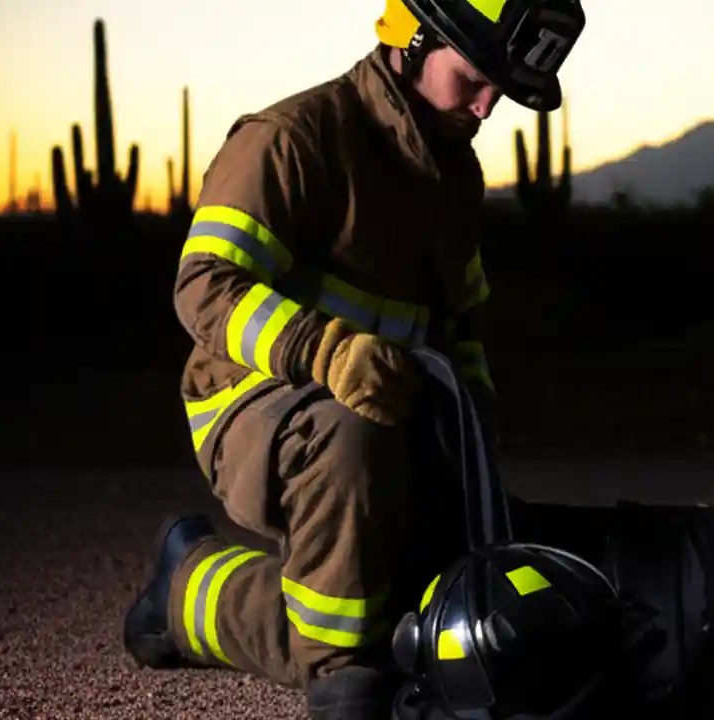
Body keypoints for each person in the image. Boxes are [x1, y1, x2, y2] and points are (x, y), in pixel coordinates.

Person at [120, 1, 586, 718]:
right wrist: (325, 351)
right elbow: (204, 286)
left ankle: (190, 581)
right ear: (413, 38)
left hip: (394, 416)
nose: (489, 105)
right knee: (354, 463)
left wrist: (474, 452)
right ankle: (344, 672)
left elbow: (458, 330)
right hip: (259, 406)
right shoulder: (293, 138)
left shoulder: (451, 174)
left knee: (433, 611)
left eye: (504, 88)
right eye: (474, 78)